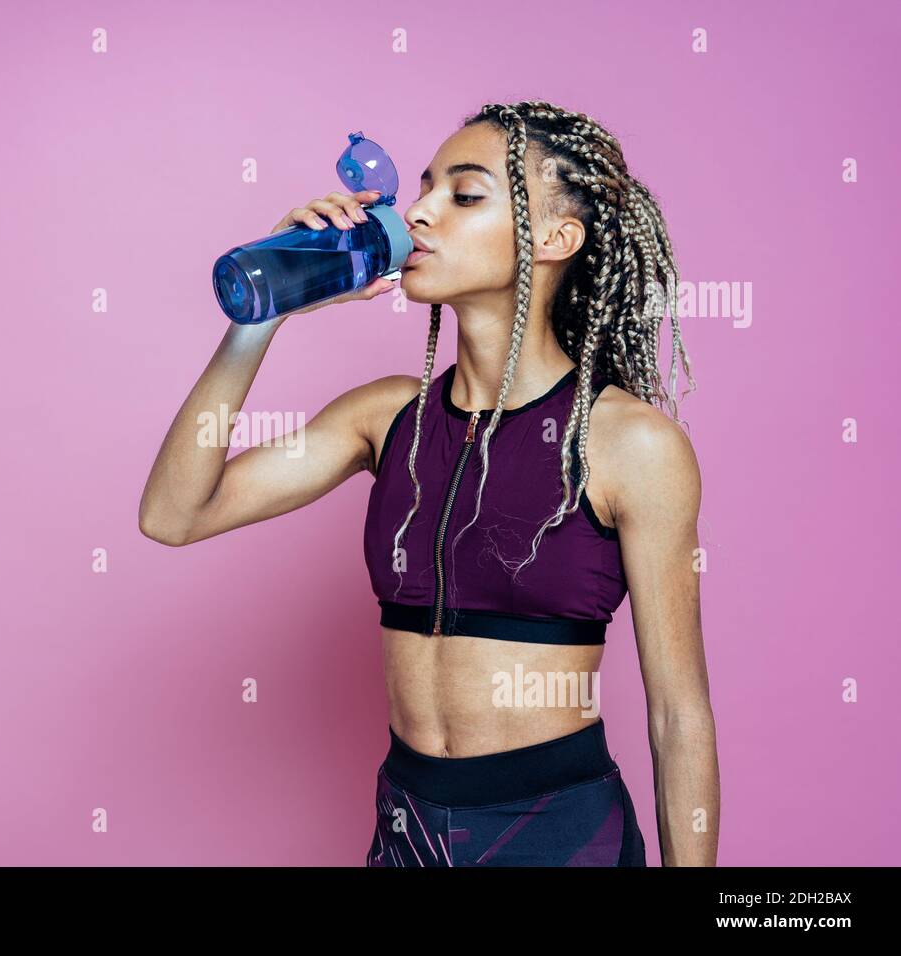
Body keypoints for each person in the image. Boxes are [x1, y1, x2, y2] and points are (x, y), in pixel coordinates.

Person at [139, 101, 719, 867]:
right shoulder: (386, 418)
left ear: (554, 239)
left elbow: (679, 715)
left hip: (556, 830)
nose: (418, 211)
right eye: (424, 188)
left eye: (465, 194)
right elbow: (175, 514)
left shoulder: (630, 444)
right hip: (407, 828)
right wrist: (263, 310)